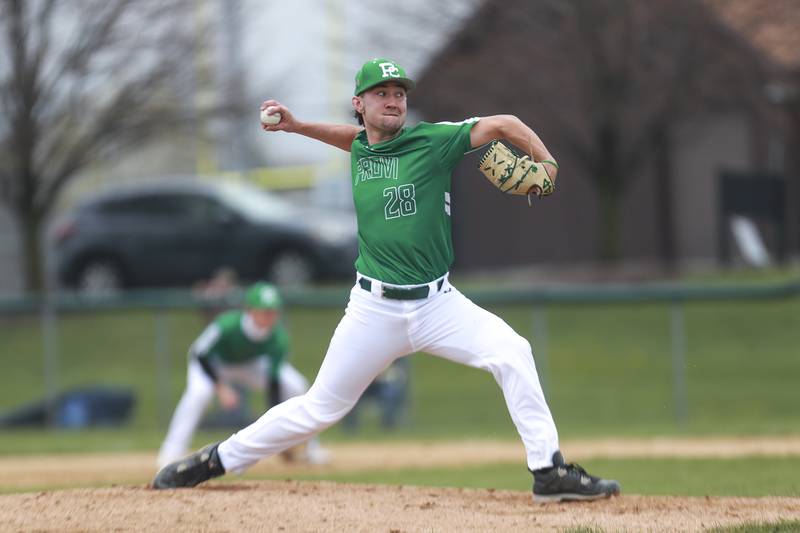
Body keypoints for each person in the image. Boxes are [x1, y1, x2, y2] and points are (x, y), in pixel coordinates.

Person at [154, 58, 620, 502]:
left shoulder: (433, 142)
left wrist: (547, 162)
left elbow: (504, 124)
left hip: (439, 305)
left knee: (512, 352)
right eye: (382, 93)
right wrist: (296, 126)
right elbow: (351, 139)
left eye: (399, 93)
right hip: (373, 309)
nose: (394, 100)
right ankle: (214, 460)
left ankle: (548, 470)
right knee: (319, 407)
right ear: (360, 103)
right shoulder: (360, 148)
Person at [157, 281, 327, 468]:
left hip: (249, 365)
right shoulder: (227, 325)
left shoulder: (278, 337)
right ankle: (171, 452)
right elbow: (200, 354)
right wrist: (221, 387)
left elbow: (274, 384)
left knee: (295, 384)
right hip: (213, 364)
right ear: (250, 310)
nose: (270, 316)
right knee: (199, 394)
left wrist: (281, 433)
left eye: (274, 311)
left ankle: (310, 449)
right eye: (264, 311)